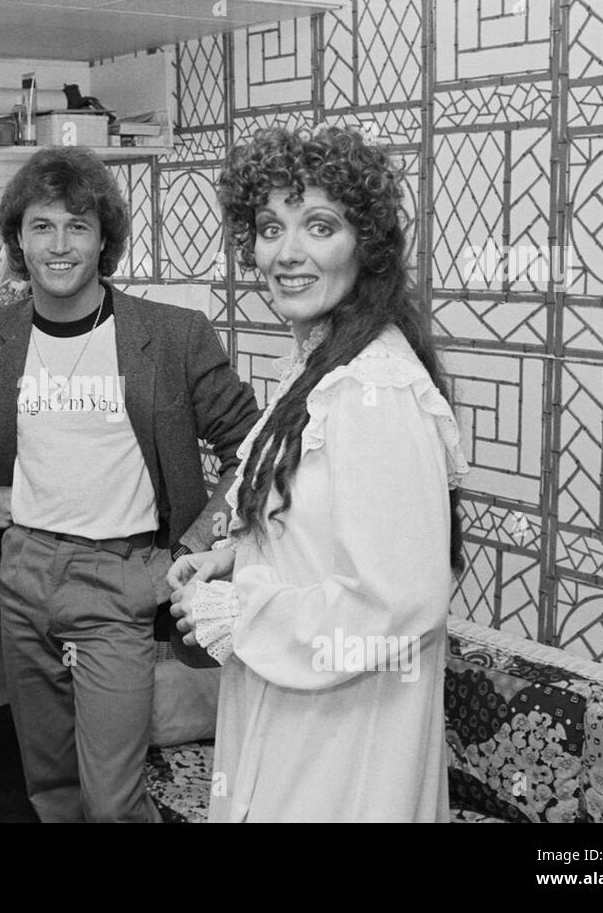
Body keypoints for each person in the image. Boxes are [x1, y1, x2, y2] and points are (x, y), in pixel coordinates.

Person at [0, 146, 259, 823]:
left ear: (103, 240)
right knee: (52, 789)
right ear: (18, 239)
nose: (59, 246)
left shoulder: (172, 335)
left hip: (121, 579)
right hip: (23, 571)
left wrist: (191, 548)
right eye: (42, 226)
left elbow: (254, 453)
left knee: (112, 801)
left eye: (77, 226)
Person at [168, 125, 469, 823]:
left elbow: (399, 600)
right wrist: (233, 558)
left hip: (344, 738)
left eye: (320, 226)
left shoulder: (373, 388)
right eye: (270, 228)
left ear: (366, 243)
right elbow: (321, 530)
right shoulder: (323, 367)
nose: (287, 252)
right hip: (300, 713)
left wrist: (241, 613)